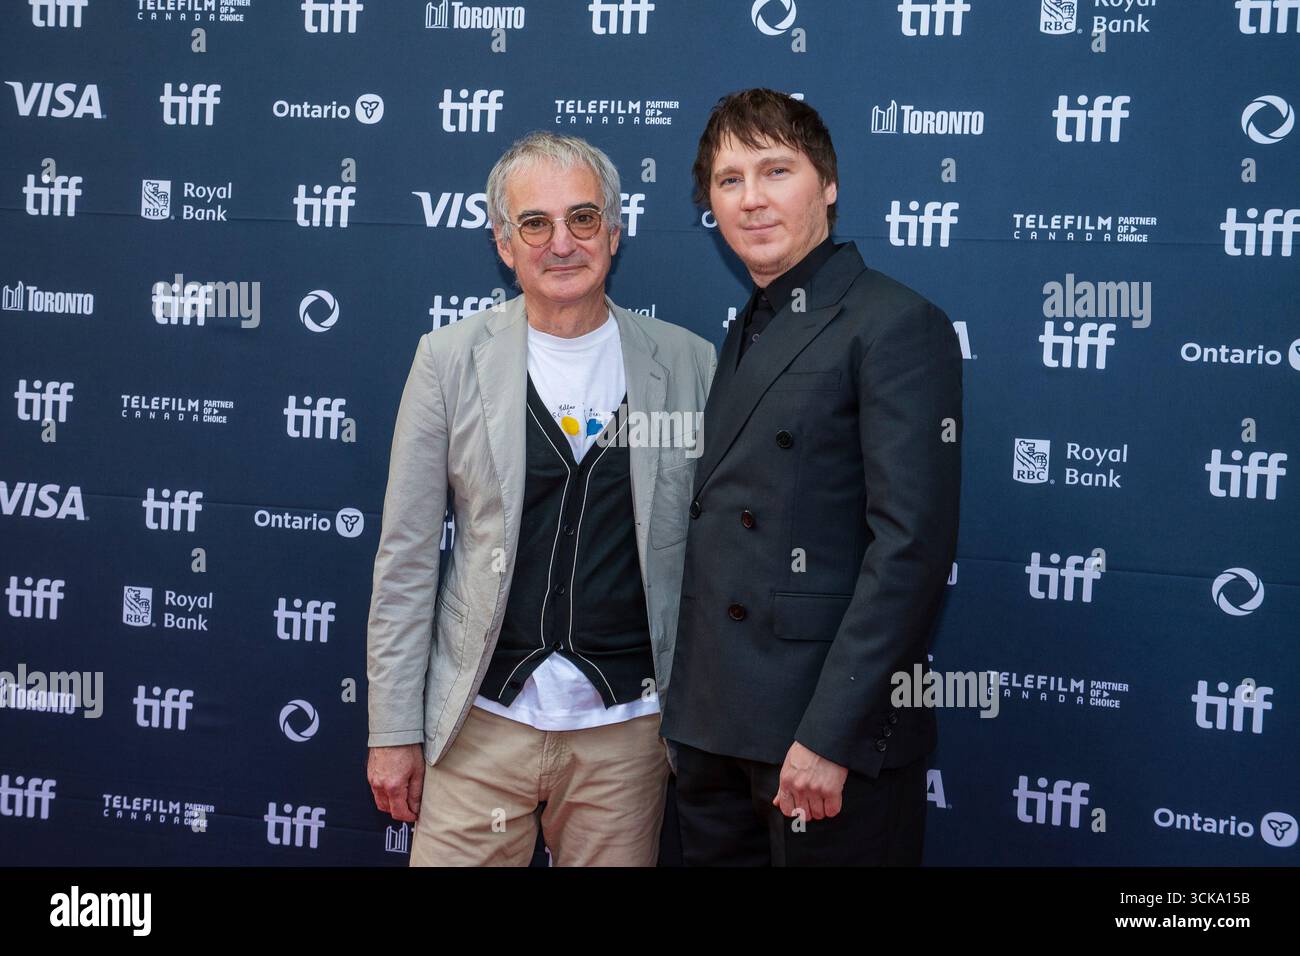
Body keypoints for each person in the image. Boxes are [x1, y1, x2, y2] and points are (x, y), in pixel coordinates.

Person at [366, 131, 716, 866]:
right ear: (503, 243)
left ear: (615, 233)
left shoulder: (689, 364)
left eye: (583, 219)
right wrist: (393, 729)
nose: (562, 243)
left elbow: (717, 555)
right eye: (536, 224)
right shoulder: (448, 361)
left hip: (626, 736)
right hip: (479, 724)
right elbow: (404, 560)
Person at [660, 89, 962, 866]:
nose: (752, 199)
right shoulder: (748, 326)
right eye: (729, 180)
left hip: (822, 745)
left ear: (827, 184)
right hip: (717, 734)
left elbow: (910, 551)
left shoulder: (894, 323)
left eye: (776, 170)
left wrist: (832, 736)